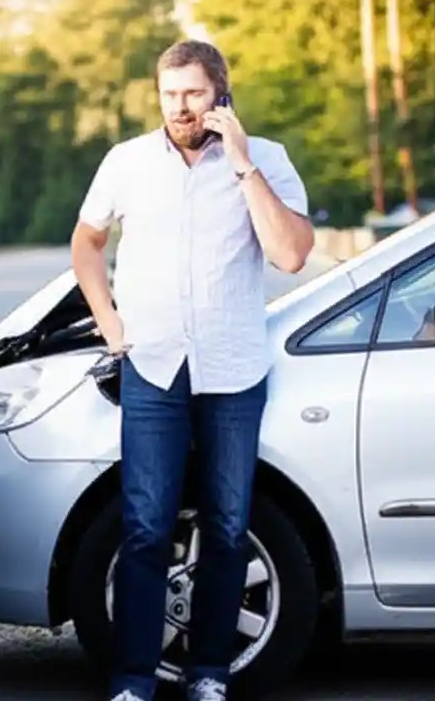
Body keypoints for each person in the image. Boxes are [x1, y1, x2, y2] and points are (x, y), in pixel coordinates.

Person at [70, 40, 314, 701]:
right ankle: (133, 681)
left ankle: (209, 673)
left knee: (229, 526)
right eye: (170, 93)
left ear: (221, 94)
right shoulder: (127, 162)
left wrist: (241, 166)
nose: (180, 106)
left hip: (232, 368)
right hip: (152, 367)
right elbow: (86, 242)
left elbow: (291, 254)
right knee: (147, 527)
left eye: (194, 93)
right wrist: (109, 320)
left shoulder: (267, 160)